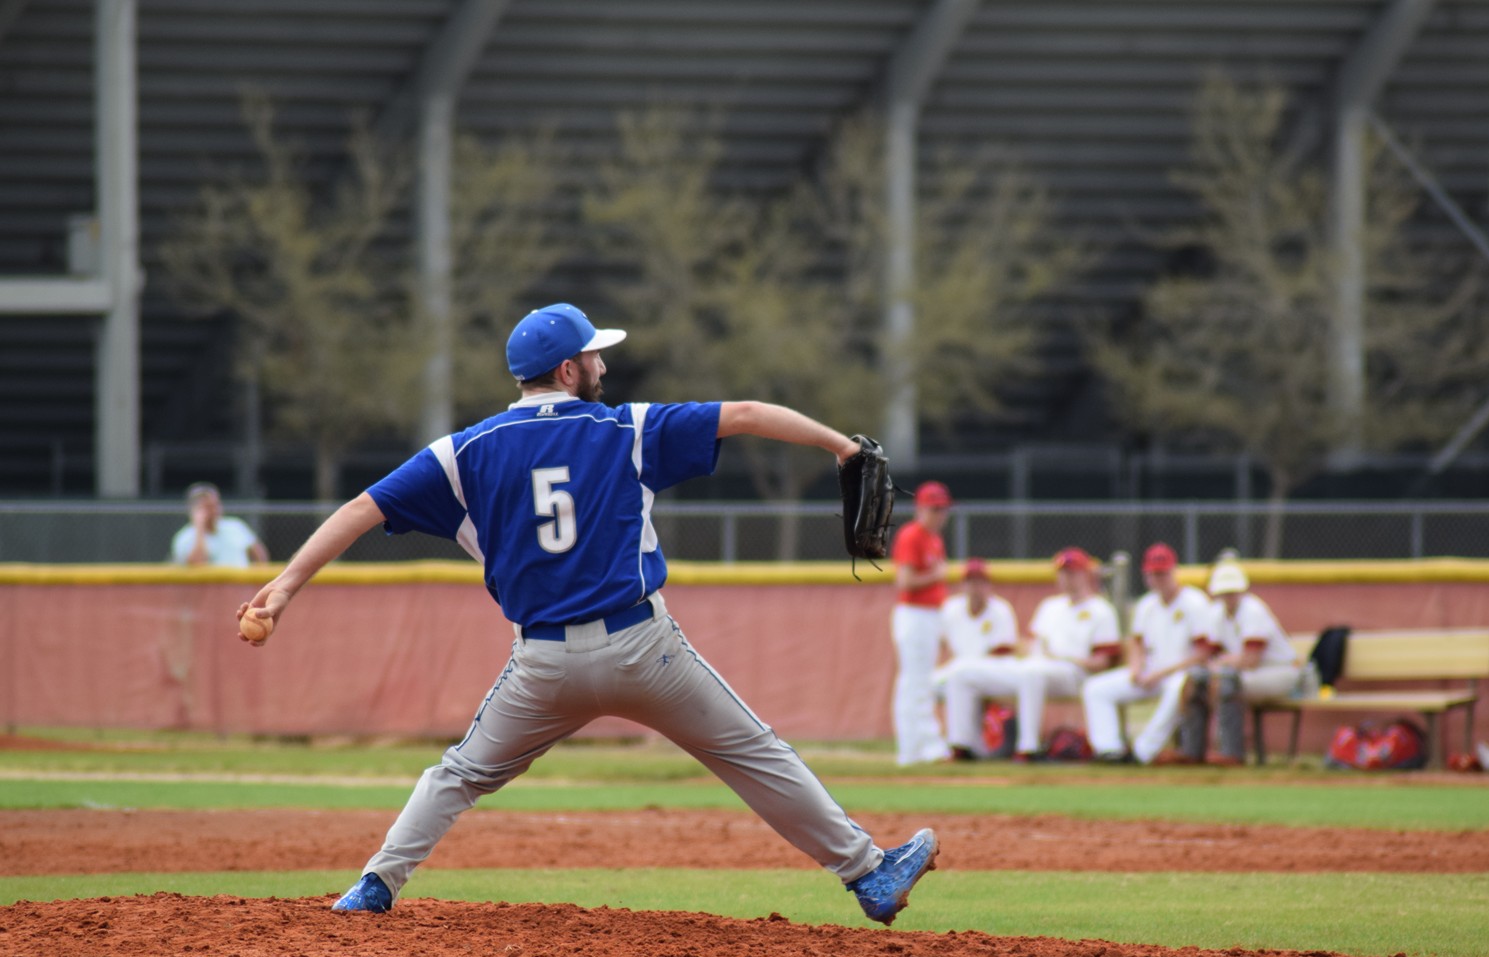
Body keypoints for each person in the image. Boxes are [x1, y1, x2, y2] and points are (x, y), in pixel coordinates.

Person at [235, 302, 939, 925]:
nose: (604, 362)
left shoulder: (463, 452)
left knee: (458, 774)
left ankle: (373, 884)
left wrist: (287, 584)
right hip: (643, 649)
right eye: (596, 353)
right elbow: (749, 414)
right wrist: (842, 446)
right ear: (569, 370)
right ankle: (869, 873)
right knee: (753, 754)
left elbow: (363, 508)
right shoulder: (625, 428)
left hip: (541, 664)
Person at [943, 547, 1121, 761]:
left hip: (1074, 673)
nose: (1066, 578)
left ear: (1086, 575)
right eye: (1063, 572)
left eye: (1073, 572)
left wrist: (1066, 657)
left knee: (1032, 672)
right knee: (962, 671)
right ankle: (963, 746)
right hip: (1036, 667)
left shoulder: (1100, 609)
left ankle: (1029, 748)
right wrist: (1022, 649)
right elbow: (1033, 646)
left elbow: (1102, 663)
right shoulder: (1050, 606)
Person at [1080, 542, 1211, 764]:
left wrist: (1158, 674)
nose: (1158, 579)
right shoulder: (1146, 605)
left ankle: (1142, 752)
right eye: (1153, 574)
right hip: (1151, 672)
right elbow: (1136, 643)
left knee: (1177, 688)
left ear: (1173, 572)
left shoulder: (1195, 602)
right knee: (1096, 688)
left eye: (1163, 573)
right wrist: (1135, 668)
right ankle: (1108, 749)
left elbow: (1202, 653)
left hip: (1183, 673)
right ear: (1146, 575)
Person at [1177, 562, 1300, 765]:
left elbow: (1251, 660)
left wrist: (1221, 665)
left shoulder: (1253, 609)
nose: (1228, 596)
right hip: (1245, 672)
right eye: (1224, 592)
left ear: (1241, 590)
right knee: (1197, 678)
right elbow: (1212, 656)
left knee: (1228, 682)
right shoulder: (1216, 613)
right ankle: (1192, 751)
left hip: (1279, 673)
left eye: (1232, 591)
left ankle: (1231, 752)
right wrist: (1216, 667)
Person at [888, 480, 955, 765]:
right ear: (921, 509)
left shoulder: (934, 539)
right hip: (914, 614)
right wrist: (938, 575)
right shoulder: (912, 535)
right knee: (915, 683)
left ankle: (913, 749)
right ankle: (924, 747)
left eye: (943, 509)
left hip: (929, 615)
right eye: (934, 509)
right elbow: (904, 581)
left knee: (916, 682)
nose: (940, 515)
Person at [933, 558, 1019, 756]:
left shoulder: (1000, 610)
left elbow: (1002, 653)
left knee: (960, 677)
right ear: (962, 585)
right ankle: (934, 745)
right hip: (958, 671)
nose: (975, 587)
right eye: (970, 582)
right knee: (924, 686)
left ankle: (960, 746)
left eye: (980, 582)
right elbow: (939, 644)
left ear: (988, 585)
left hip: (995, 672)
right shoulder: (951, 609)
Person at [170, 482, 268, 566]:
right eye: (208, 507)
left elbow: (259, 554)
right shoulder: (185, 537)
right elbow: (197, 563)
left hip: (240, 586)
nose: (215, 510)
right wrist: (199, 527)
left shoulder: (235, 526)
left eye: (216, 504)